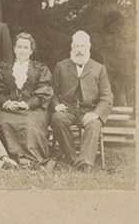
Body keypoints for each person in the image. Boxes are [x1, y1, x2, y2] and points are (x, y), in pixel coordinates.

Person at [49, 30, 114, 171]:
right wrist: (57, 105)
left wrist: (96, 113)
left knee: (95, 124)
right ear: (71, 47)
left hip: (89, 109)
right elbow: (52, 92)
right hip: (67, 108)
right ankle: (72, 158)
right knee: (57, 118)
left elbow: (107, 97)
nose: (79, 50)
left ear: (88, 47)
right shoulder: (61, 66)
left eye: (82, 46)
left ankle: (84, 162)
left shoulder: (98, 68)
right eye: (76, 46)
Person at [0, 32, 54, 167]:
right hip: (8, 108)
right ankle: (7, 158)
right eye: (19, 47)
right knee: (3, 122)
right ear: (14, 49)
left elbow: (44, 92)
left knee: (29, 124)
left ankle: (29, 159)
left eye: (25, 47)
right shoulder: (4, 67)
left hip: (33, 109)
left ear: (31, 50)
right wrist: (6, 102)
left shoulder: (40, 68)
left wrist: (26, 104)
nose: (22, 50)